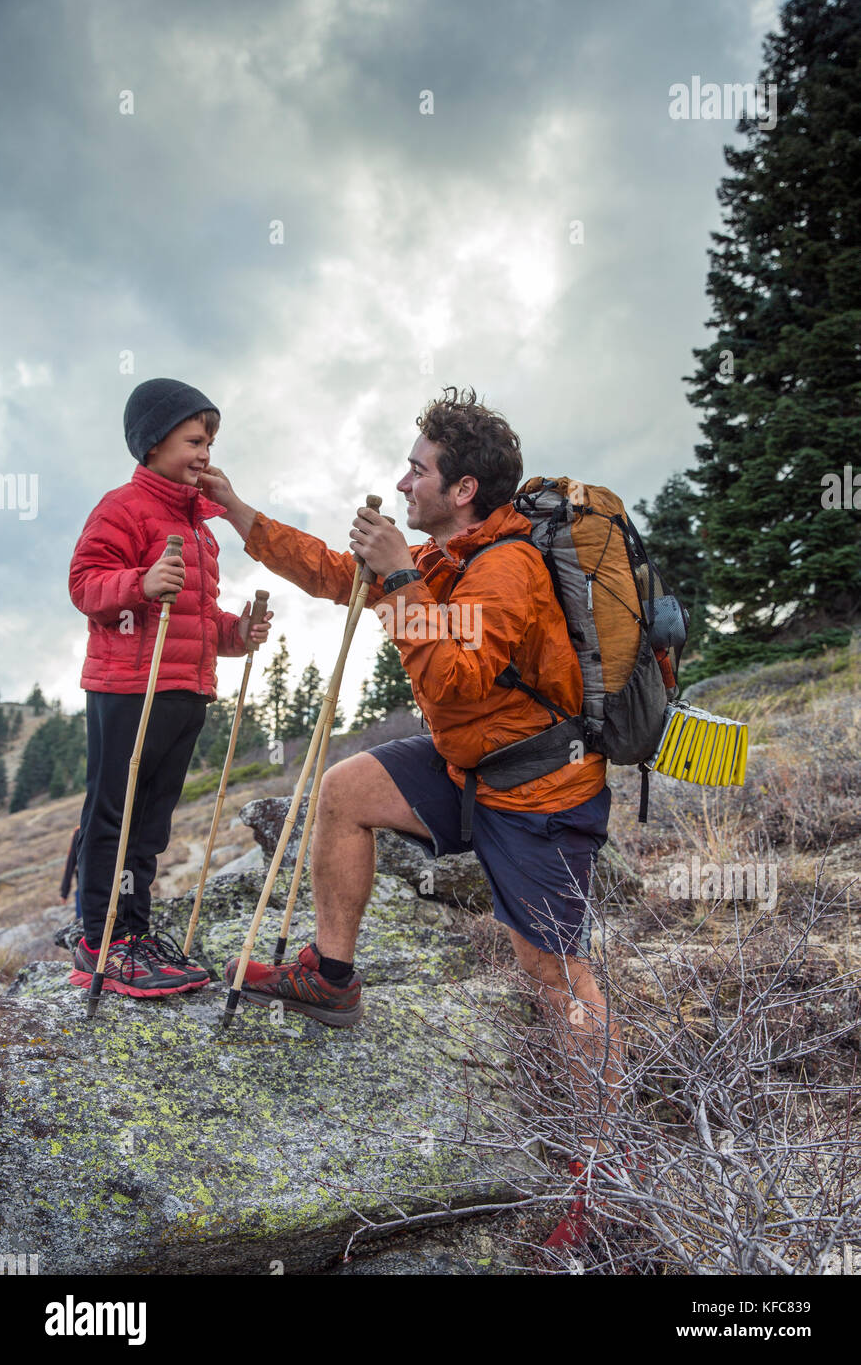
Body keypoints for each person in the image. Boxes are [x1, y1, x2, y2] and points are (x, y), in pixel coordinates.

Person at [203, 387, 621, 1142]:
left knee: (555, 980)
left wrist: (399, 578)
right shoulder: (449, 553)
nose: (402, 484)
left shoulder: (508, 567)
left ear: (462, 490)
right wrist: (240, 513)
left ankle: (602, 1168)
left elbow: (457, 680)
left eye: (416, 471)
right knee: (347, 788)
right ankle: (330, 980)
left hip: (538, 791)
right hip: (472, 765)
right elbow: (337, 574)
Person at [67, 378, 272, 999]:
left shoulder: (203, 529)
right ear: (153, 443)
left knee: (151, 822)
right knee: (115, 814)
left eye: (209, 441)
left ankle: (131, 932)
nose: (206, 452)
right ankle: (98, 944)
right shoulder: (122, 507)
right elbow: (85, 583)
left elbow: (197, 621)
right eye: (194, 439)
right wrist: (140, 581)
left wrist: (239, 632)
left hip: (185, 689)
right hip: (130, 686)